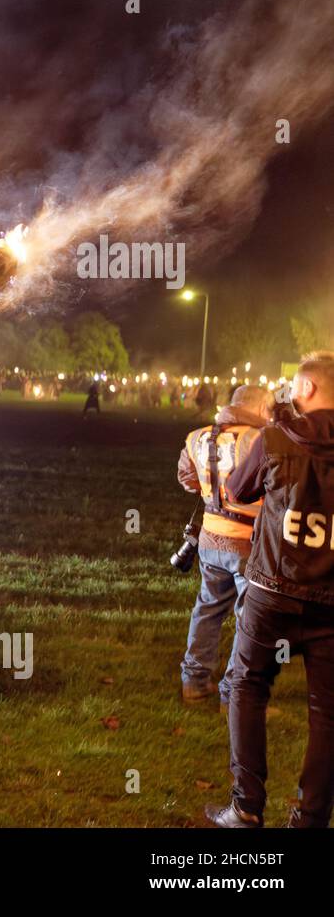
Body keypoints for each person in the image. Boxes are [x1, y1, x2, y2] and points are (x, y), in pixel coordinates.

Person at [207, 351, 334, 828]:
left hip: (271, 591)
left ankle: (246, 807)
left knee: (247, 685)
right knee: (327, 713)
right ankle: (311, 818)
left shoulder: (276, 437)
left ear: (306, 390)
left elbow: (238, 492)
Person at [176, 384, 272, 707]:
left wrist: (209, 487)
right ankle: (234, 691)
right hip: (247, 541)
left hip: (209, 537)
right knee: (249, 619)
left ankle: (194, 681)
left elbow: (187, 479)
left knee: (207, 608)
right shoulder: (258, 440)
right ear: (259, 409)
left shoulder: (197, 436)